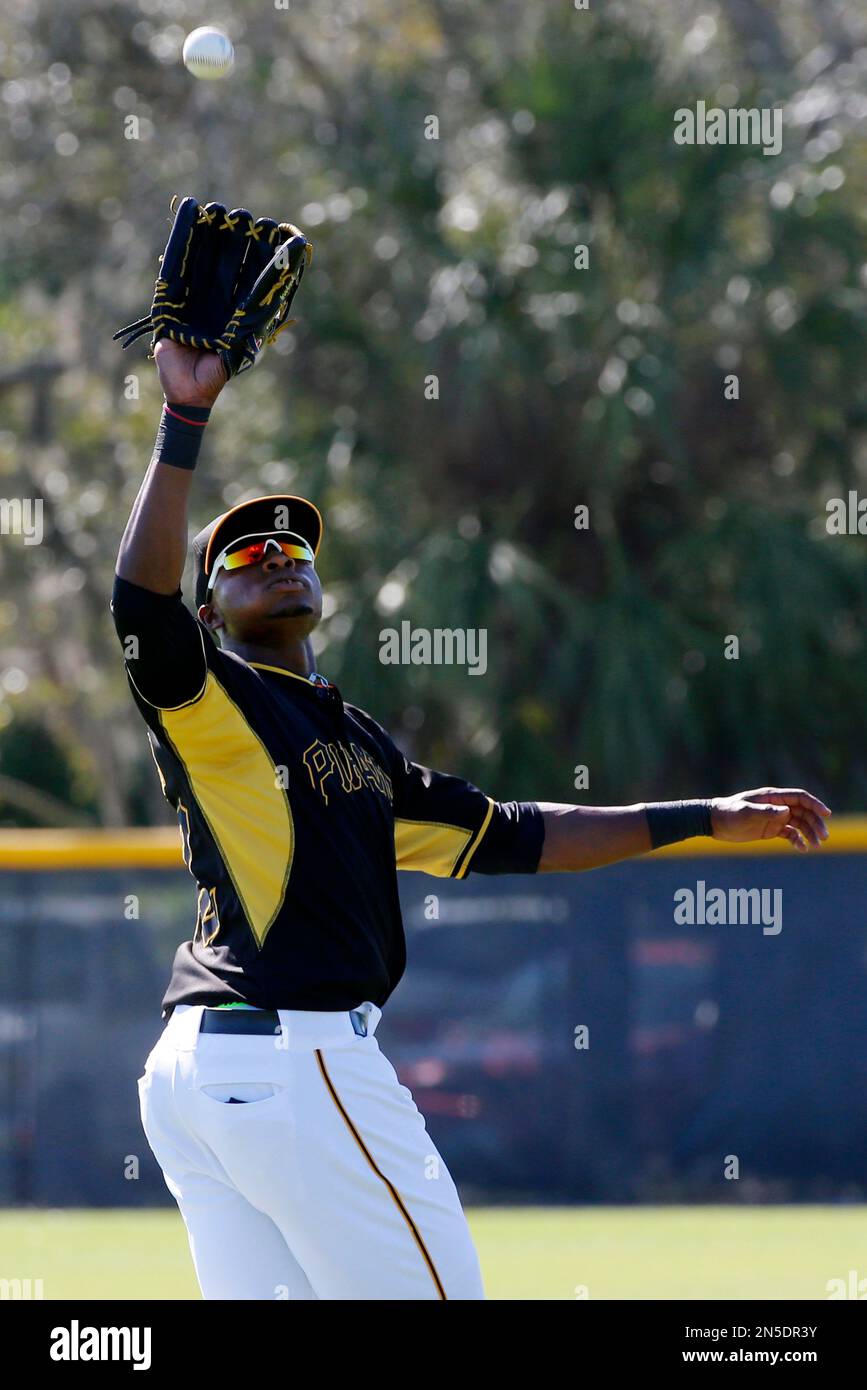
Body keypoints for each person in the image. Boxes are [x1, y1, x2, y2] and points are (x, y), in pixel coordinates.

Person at [111, 339, 831, 1300]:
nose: (278, 558)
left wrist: (700, 817)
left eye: (294, 548)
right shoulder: (213, 700)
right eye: (246, 554)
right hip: (294, 1059)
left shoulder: (357, 742)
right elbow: (139, 601)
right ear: (210, 613)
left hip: (204, 1084)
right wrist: (185, 417)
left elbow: (519, 836)